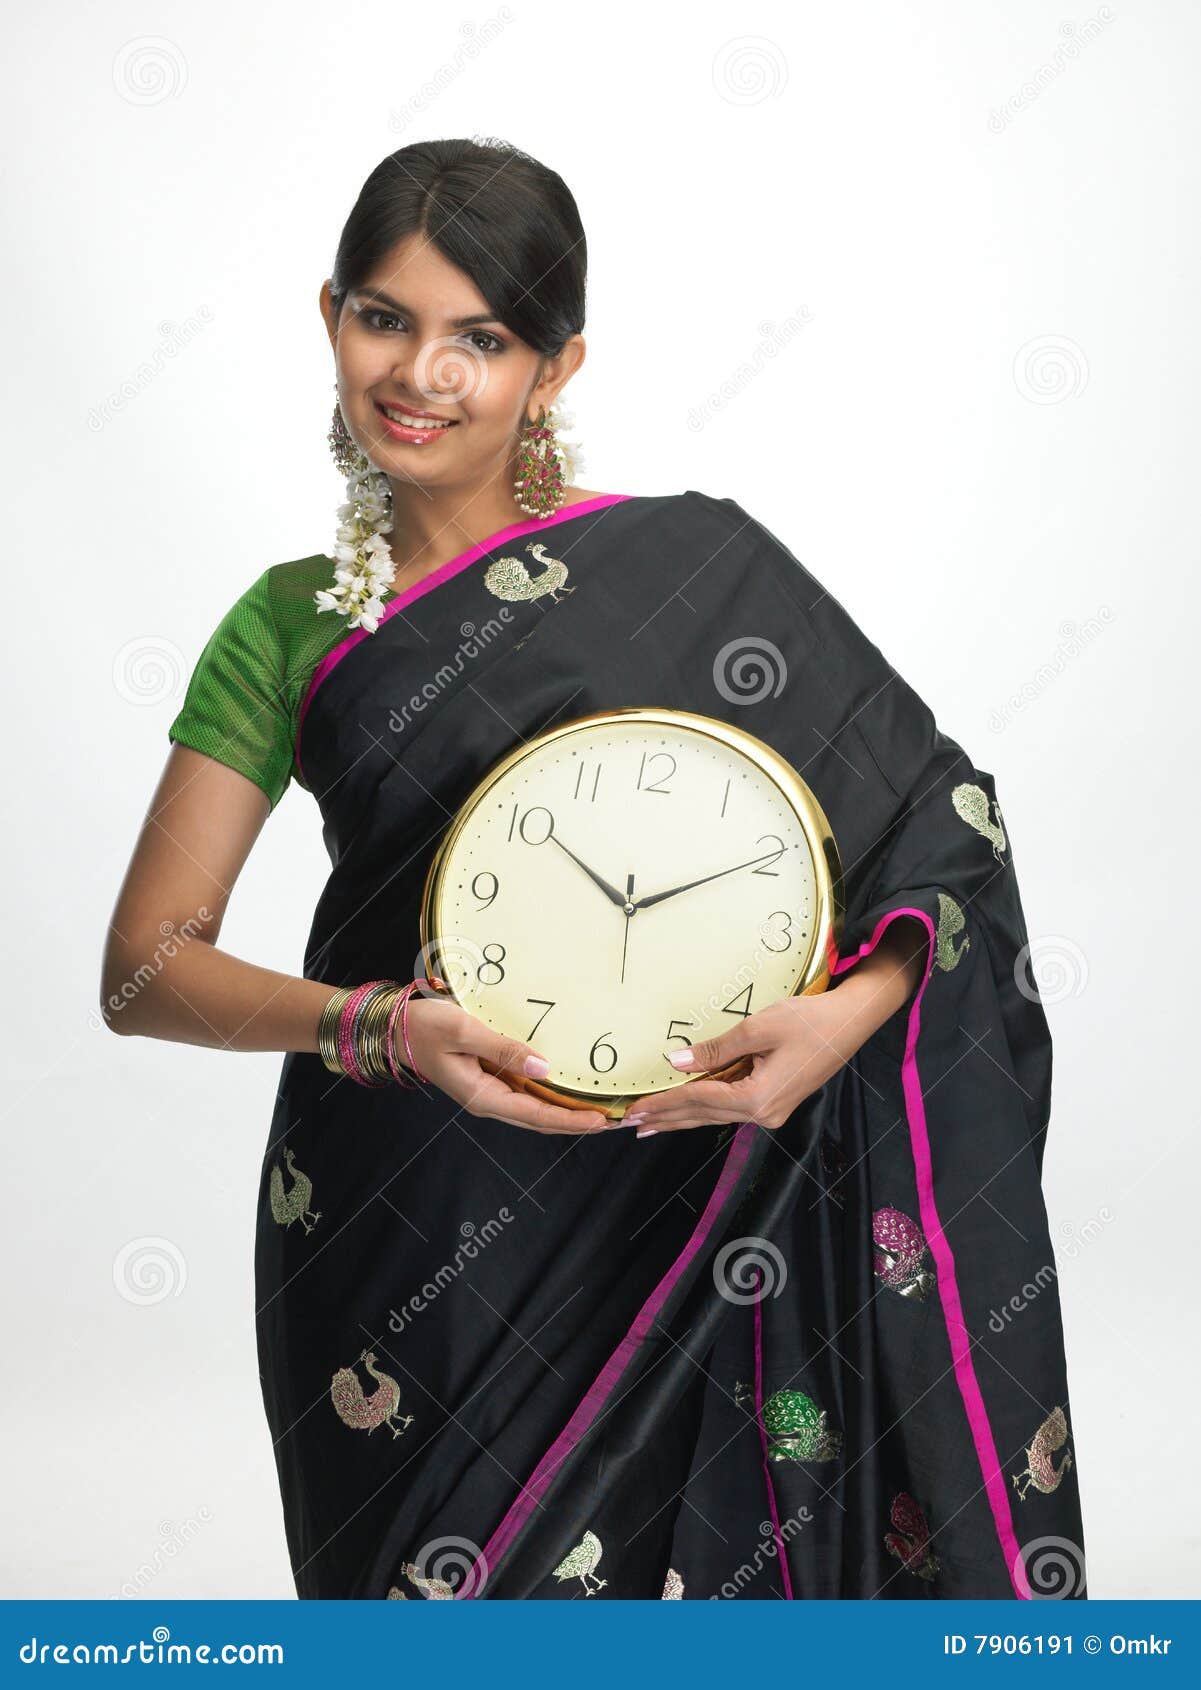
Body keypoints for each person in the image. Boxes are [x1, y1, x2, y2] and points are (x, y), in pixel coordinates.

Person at [101, 137, 1085, 1601]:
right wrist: (384, 1029)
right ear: (328, 318)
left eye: (479, 339)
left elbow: (940, 826)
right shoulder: (288, 624)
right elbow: (143, 967)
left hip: (697, 1184)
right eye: (385, 317)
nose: (419, 374)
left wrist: (836, 1022)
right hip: (410, 1214)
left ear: (553, 369)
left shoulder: (701, 565)